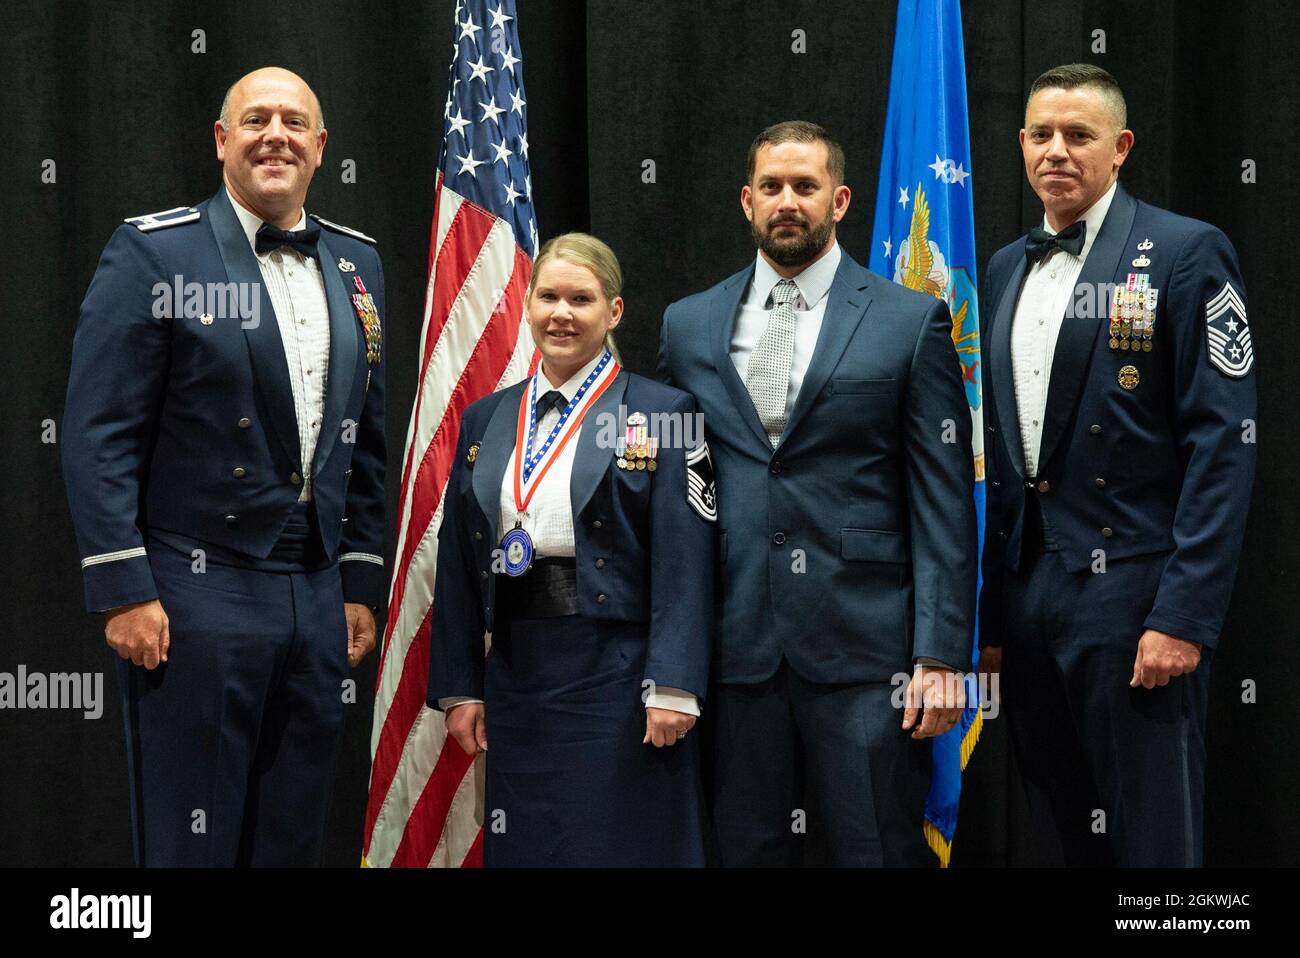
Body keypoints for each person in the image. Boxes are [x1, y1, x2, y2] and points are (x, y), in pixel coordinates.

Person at [62, 67, 387, 866]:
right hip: (194, 590)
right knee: (192, 845)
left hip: (316, 594)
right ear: (221, 140)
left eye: (293, 122)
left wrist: (357, 581)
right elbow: (99, 431)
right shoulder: (156, 252)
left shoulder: (358, 262)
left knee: (291, 841)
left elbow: (367, 436)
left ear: (320, 146)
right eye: (255, 120)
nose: (275, 135)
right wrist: (124, 586)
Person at [658, 121, 978, 867]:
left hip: (868, 653)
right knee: (744, 854)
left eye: (805, 186)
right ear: (746, 201)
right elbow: (675, 499)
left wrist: (940, 654)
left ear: (839, 200)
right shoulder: (687, 325)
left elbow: (943, 503)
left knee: (877, 851)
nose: (787, 202)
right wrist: (669, 655)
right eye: (771, 186)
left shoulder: (910, 320)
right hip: (734, 648)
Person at [978, 64, 1257, 866]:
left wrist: (1184, 615)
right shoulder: (1004, 267)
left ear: (1121, 147)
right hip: (1030, 595)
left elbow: (1223, 445)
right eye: (1041, 135)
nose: (1056, 151)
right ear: (1020, 143)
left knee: (1153, 837)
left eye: (1079, 135)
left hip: (1136, 596)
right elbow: (1003, 458)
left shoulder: (1184, 251)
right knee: (1056, 830)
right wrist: (992, 620)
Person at [426, 233, 716, 867]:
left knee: (618, 845)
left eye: (581, 300)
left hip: (619, 675)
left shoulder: (664, 412)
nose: (562, 314)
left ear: (613, 312)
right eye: (549, 297)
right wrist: (459, 685)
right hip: (518, 671)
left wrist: (674, 682)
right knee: (531, 846)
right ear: (528, 305)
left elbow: (685, 559)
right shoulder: (485, 419)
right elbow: (457, 561)